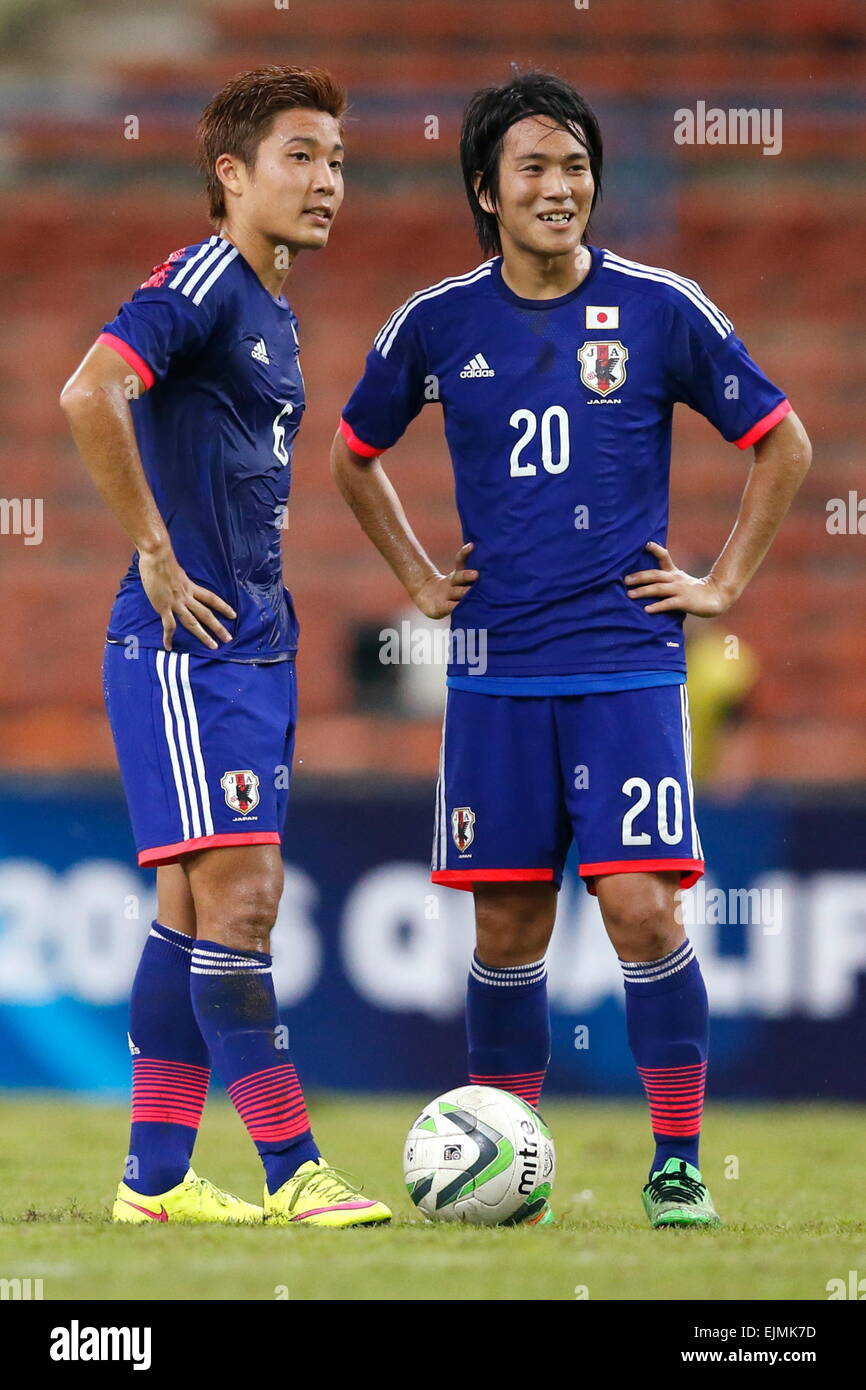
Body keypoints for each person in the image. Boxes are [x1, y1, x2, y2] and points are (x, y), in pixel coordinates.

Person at [331, 70, 811, 1228]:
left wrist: (722, 583)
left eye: (576, 166)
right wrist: (412, 577)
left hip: (628, 668)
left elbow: (779, 441)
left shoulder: (660, 308)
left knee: (642, 910)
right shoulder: (436, 322)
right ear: (486, 192)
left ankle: (678, 1161)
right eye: (534, 169)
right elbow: (353, 451)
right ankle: (508, 1161)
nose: (561, 187)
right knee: (506, 927)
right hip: (496, 676)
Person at [60, 65, 390, 1228]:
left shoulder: (275, 309)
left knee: (195, 913)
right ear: (231, 175)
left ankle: (151, 1183)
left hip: (253, 642)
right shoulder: (200, 278)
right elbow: (90, 392)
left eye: (337, 161)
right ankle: (293, 1169)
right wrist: (153, 546)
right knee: (244, 900)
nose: (326, 180)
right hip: (183, 645)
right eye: (299, 156)